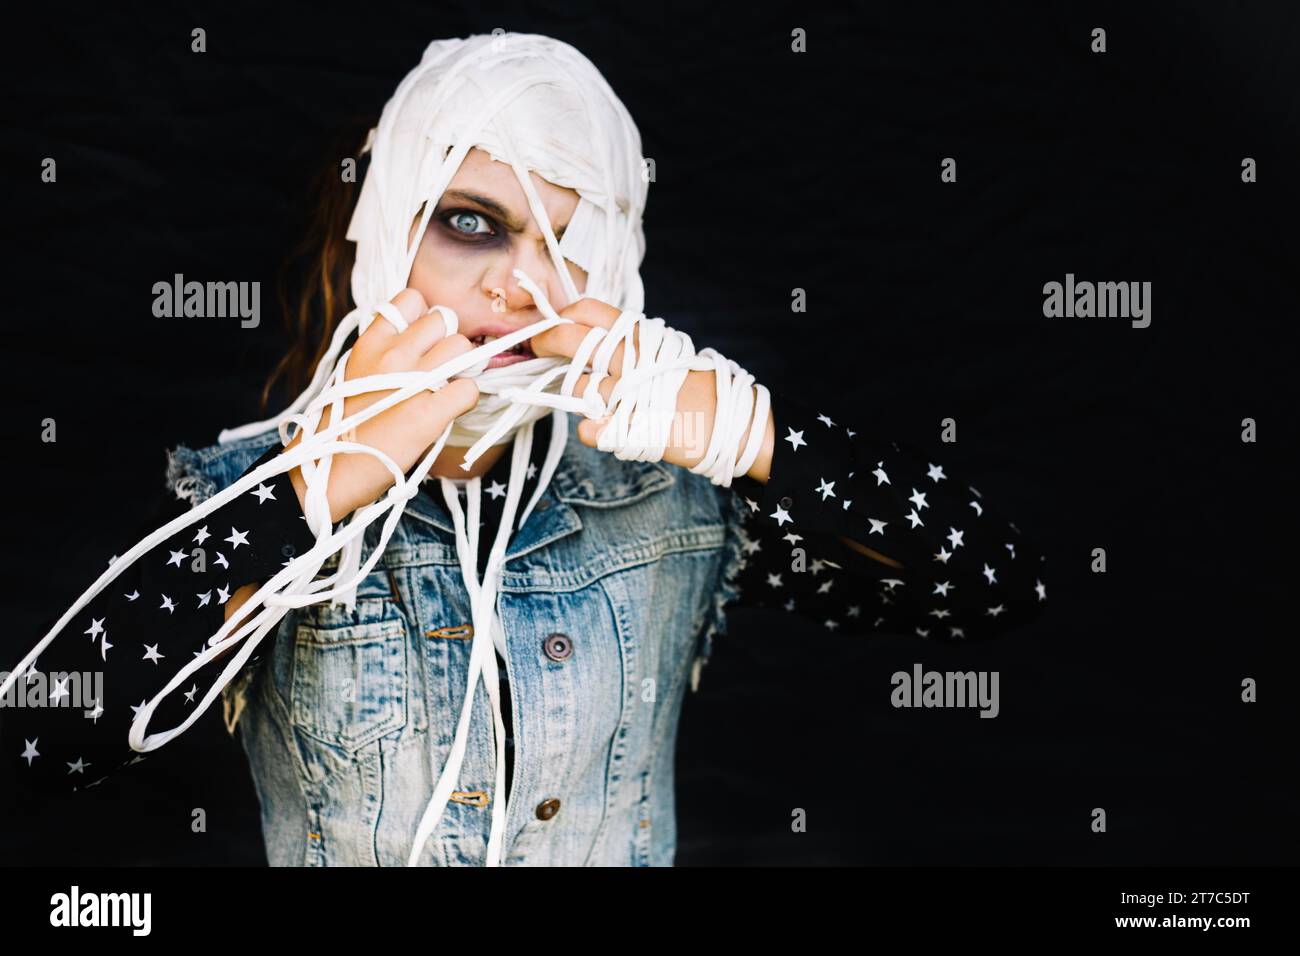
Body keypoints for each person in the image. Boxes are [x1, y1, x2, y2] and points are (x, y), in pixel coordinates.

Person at [1, 33, 1047, 866]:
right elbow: (37, 744)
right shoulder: (247, 494)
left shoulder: (673, 498)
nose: (520, 286)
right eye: (471, 222)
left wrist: (752, 431)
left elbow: (988, 584)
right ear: (382, 225)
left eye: (568, 241)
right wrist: (306, 494)